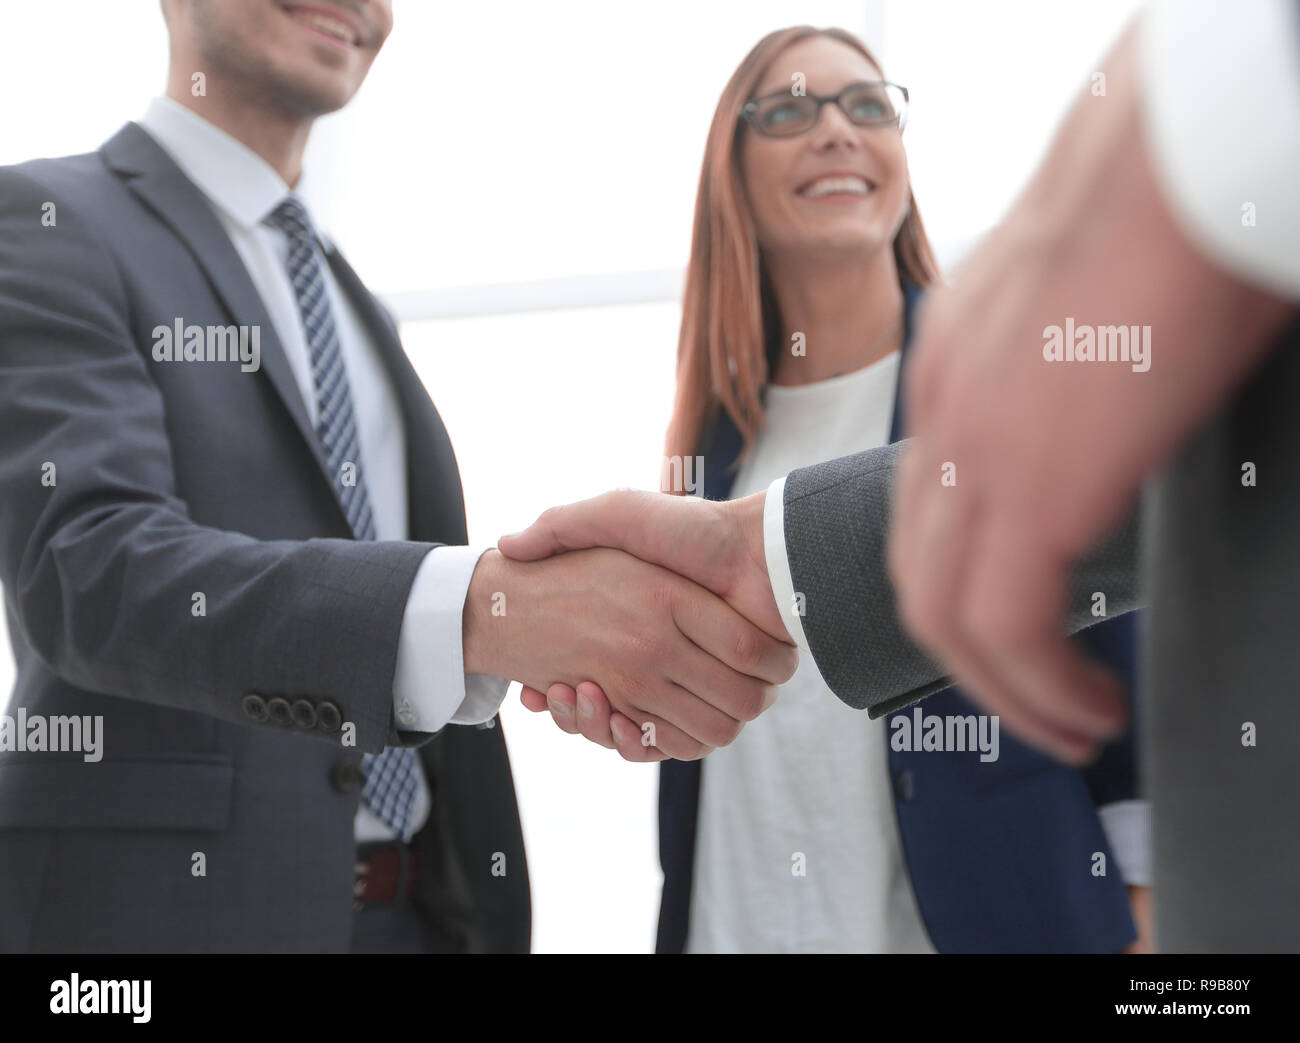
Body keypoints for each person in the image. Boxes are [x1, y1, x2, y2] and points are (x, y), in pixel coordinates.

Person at [501, 0, 1300, 951]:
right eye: (791, 111)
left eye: (868, 106)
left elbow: (1134, 673)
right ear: (734, 175)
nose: (836, 127)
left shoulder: (998, 393)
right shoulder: (708, 444)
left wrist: (1142, 924)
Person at [0, 0, 795, 953]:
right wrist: (496, 610)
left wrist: (567, 631)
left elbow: (385, 611)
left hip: (414, 913)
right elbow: (87, 569)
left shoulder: (356, 305)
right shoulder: (47, 220)